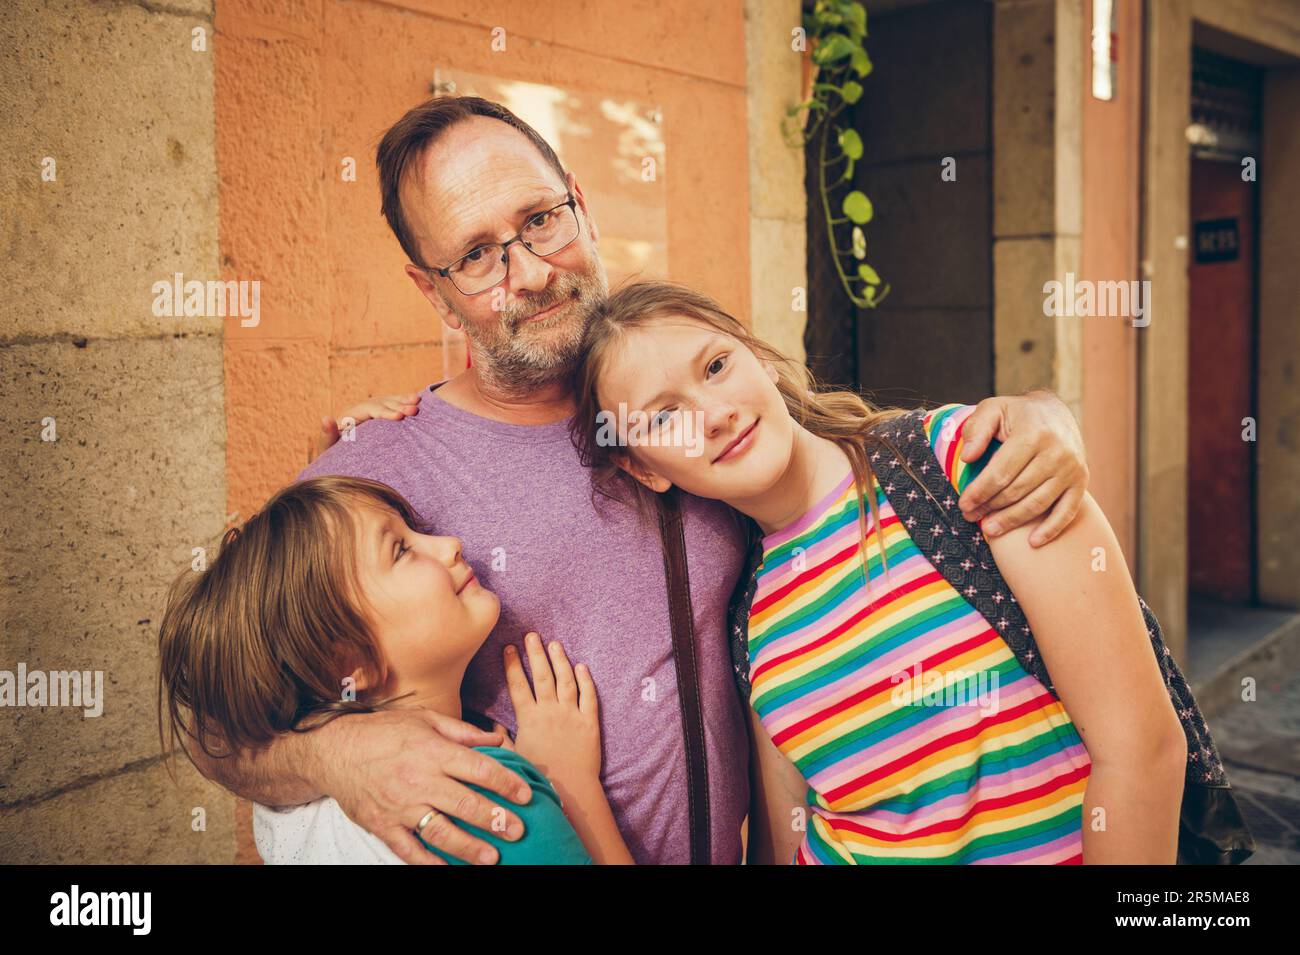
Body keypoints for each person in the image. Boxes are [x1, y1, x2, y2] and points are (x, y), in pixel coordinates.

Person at [188, 94, 1092, 865]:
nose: (531, 274)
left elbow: (847, 437)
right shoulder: (369, 475)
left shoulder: (683, 391)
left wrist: (1047, 414)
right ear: (431, 290)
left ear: (578, 202)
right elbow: (215, 727)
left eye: (540, 219)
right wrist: (342, 753)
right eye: (476, 256)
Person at [566, 280, 1188, 864]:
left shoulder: (960, 461)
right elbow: (789, 843)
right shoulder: (748, 612)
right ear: (645, 469)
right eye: (663, 416)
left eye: (716, 366)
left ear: (756, 355)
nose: (714, 414)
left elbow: (1142, 754)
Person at [158, 476, 633, 864]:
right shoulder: (485, 799)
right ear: (348, 661)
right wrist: (571, 782)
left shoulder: (283, 811)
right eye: (402, 550)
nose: (449, 544)